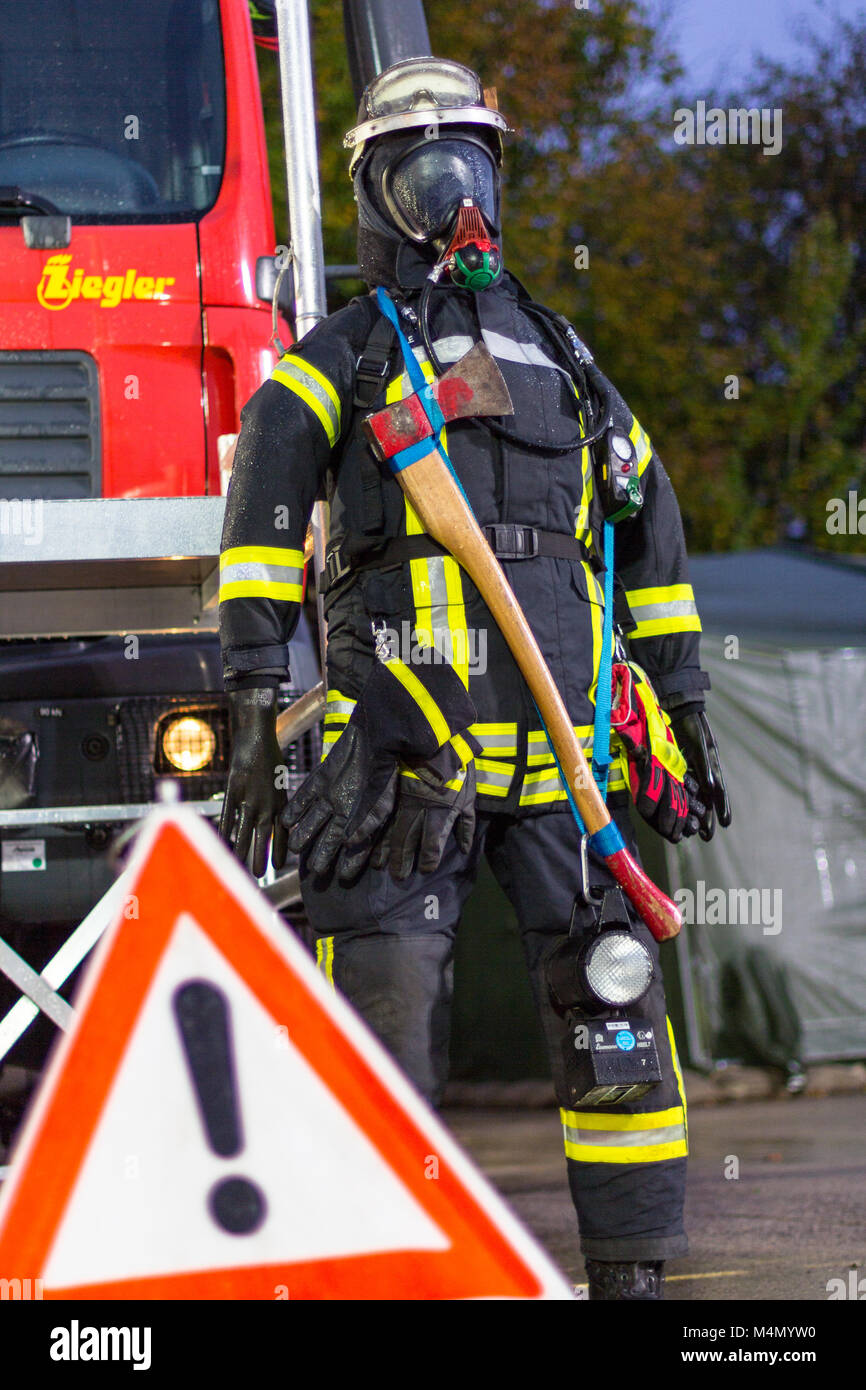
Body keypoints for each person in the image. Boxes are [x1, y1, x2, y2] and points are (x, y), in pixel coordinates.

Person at [218, 57, 730, 1300]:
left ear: (497, 176)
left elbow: (643, 535)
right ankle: (377, 1272)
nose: (451, 192)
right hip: (402, 758)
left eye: (469, 161)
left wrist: (685, 698)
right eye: (419, 167)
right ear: (372, 194)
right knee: (383, 1024)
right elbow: (259, 526)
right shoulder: (331, 358)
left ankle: (630, 1270)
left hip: (569, 769)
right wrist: (249, 695)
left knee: (613, 1018)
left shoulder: (567, 359)